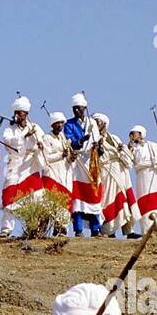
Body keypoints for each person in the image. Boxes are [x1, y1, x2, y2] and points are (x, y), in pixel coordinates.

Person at [0, 96, 45, 236]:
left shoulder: (35, 127)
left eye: (20, 113)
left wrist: (40, 144)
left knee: (34, 195)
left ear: (26, 114)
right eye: (16, 112)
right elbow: (7, 142)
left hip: (30, 165)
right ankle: (6, 229)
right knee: (10, 195)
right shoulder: (10, 128)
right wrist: (25, 136)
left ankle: (33, 228)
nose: (17, 115)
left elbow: (43, 142)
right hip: (15, 164)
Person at [93, 113, 140, 239]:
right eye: (95, 121)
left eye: (99, 121)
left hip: (120, 171)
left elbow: (127, 156)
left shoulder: (114, 138)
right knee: (108, 199)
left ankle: (128, 230)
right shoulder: (93, 138)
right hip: (106, 171)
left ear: (104, 124)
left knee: (124, 199)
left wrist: (123, 149)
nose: (97, 124)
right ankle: (109, 230)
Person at [64, 93, 102, 236]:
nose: (76, 111)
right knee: (78, 196)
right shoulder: (69, 124)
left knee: (93, 194)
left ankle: (95, 229)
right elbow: (69, 141)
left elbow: (96, 140)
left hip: (91, 162)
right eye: (74, 108)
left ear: (84, 108)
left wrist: (98, 146)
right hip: (78, 162)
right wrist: (81, 140)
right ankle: (78, 229)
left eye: (78, 108)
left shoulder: (92, 123)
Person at [128, 125, 157, 232]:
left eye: (134, 133)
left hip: (155, 176)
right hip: (142, 178)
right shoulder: (132, 149)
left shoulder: (152, 145)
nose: (132, 136)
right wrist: (128, 149)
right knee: (145, 203)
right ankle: (148, 228)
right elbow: (128, 161)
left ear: (140, 134)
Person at [39, 112, 73, 233]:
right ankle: (41, 230)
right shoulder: (46, 138)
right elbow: (45, 157)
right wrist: (60, 155)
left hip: (64, 173)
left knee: (63, 201)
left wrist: (70, 157)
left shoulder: (64, 138)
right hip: (51, 173)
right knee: (49, 201)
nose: (60, 125)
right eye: (57, 123)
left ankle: (60, 229)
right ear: (52, 125)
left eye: (61, 123)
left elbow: (67, 155)